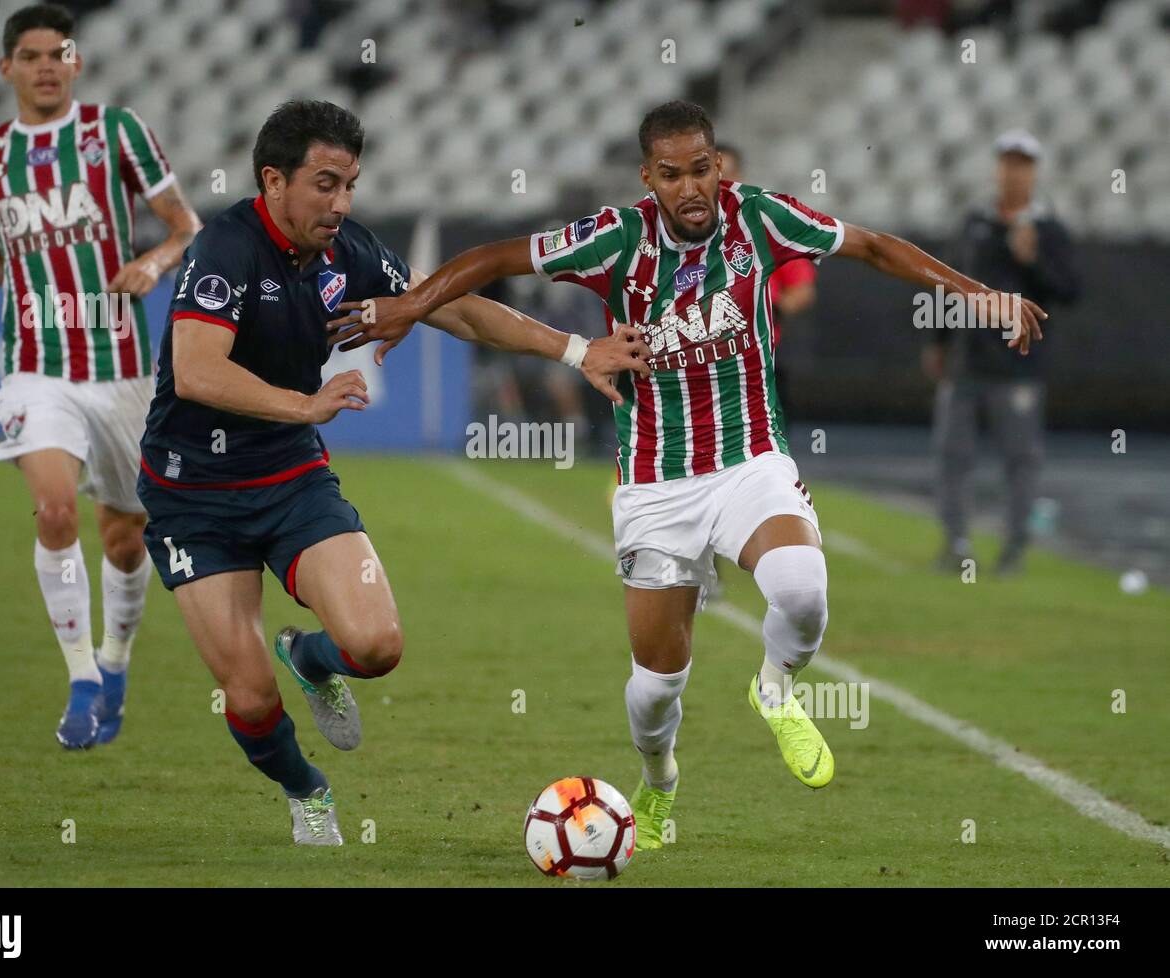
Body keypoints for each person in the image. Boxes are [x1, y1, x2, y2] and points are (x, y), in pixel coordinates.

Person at [328, 100, 1045, 849]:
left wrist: (978, 296)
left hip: (749, 463)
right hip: (655, 485)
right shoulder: (616, 237)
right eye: (672, 175)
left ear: (717, 166)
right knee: (655, 689)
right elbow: (498, 257)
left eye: (702, 169)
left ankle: (773, 688)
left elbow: (871, 246)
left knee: (801, 588)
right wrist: (413, 304)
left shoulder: (759, 218)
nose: (692, 187)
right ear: (650, 178)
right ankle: (660, 781)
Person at [137, 99, 649, 845]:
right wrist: (303, 403)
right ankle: (305, 787)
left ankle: (309, 656)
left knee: (377, 646)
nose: (341, 203)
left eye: (350, 184)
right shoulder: (224, 249)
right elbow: (195, 369)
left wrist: (576, 351)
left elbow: (459, 310)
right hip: (192, 496)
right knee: (247, 696)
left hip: (287, 479)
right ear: (272, 181)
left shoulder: (350, 252)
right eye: (324, 183)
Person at [0, 3, 201, 748]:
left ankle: (115, 659)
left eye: (59, 52)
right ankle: (80, 677)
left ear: (75, 62)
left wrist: (153, 261)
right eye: (31, 54)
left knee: (124, 540)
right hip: (35, 366)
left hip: (120, 371)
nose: (47, 65)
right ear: (5, 67)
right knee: (54, 512)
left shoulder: (117, 133)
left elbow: (186, 225)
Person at [925, 129, 1078, 574]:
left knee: (1020, 461)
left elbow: (1069, 292)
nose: (1013, 172)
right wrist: (937, 341)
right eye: (1007, 162)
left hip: (1017, 365)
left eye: (1022, 164)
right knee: (953, 456)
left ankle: (1015, 548)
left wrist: (1032, 261)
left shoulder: (1047, 229)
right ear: (998, 168)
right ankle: (956, 542)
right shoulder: (975, 222)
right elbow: (946, 283)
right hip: (966, 360)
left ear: (1033, 172)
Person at [716, 141, 817, 432]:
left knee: (764, 441)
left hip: (758, 355)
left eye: (728, 174)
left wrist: (764, 308)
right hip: (698, 357)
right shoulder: (680, 231)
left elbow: (802, 290)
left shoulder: (764, 226)